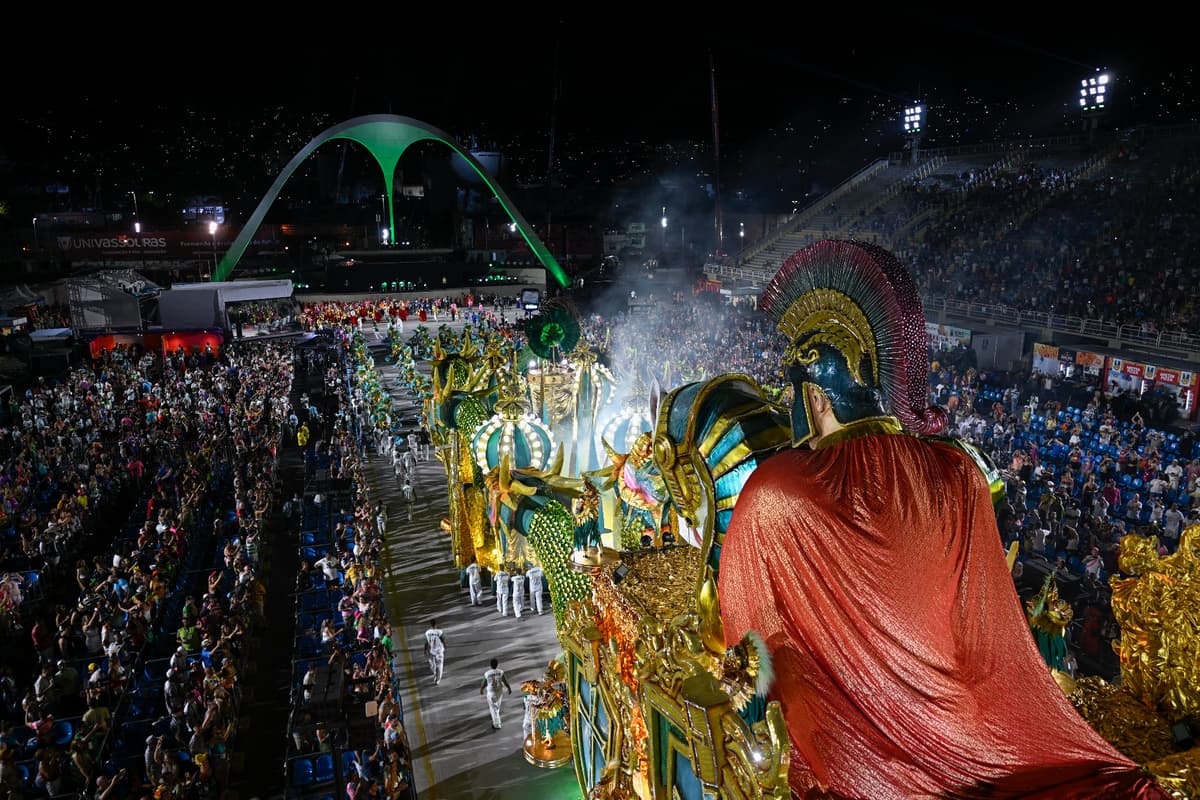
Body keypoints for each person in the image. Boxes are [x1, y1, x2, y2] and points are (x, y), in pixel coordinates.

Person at [717, 240, 1165, 798]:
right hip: (974, 728)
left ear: (816, 399)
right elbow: (985, 625)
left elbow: (749, 649)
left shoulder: (779, 490)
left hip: (855, 761)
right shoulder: (959, 470)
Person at [479, 658, 512, 730]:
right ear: (497, 665)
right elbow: (505, 681)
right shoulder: (500, 672)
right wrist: (509, 688)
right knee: (497, 705)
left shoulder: (487, 673)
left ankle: (497, 724)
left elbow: (484, 683)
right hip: (499, 691)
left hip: (491, 692)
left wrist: (481, 689)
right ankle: (495, 717)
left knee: (494, 707)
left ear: (490, 665)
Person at [423, 619, 445, 686]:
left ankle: (435, 676)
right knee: (440, 666)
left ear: (430, 624)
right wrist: (444, 646)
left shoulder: (427, 632)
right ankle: (437, 680)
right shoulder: (440, 632)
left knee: (433, 666)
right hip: (439, 651)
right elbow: (443, 640)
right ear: (436, 625)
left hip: (432, 651)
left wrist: (425, 650)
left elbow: (426, 642)